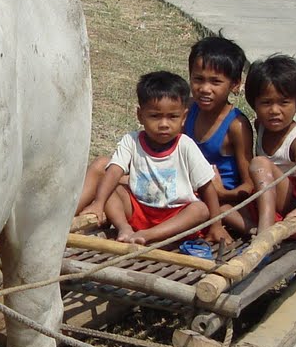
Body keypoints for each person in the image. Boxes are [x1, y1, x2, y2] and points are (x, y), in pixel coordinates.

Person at [89, 71, 216, 247]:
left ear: (184, 117)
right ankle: (124, 228)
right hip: (139, 211)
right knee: (111, 186)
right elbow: (115, 169)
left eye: (172, 117)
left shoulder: (185, 145)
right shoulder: (132, 140)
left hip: (175, 216)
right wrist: (98, 203)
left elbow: (207, 187)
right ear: (140, 115)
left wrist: (216, 226)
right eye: (155, 116)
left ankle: (148, 235)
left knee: (200, 209)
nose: (164, 124)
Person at [245, 54, 296, 238]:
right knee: (225, 208)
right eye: (266, 103)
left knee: (260, 163)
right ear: (254, 104)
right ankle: (253, 229)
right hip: (275, 194)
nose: (275, 111)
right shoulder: (260, 126)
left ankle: (264, 234)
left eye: (284, 103)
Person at [183, 34, 257, 238]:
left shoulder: (236, 125)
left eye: (215, 82)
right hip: (189, 193)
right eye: (198, 79)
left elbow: (250, 185)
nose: (205, 89)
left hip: (224, 202)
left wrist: (222, 193)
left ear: (234, 85)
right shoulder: (187, 110)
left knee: (220, 211)